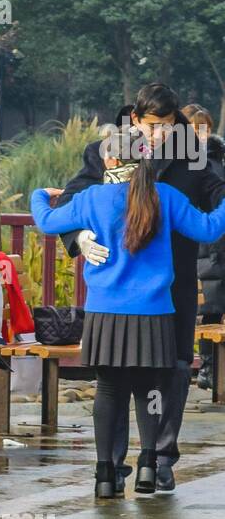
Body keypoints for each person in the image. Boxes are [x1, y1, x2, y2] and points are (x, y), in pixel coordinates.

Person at [33, 126, 225, 498]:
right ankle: (149, 467)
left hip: (106, 313)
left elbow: (46, 221)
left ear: (110, 159)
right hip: (155, 313)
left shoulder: (92, 199)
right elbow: (209, 228)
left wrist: (39, 194)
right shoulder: (165, 196)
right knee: (151, 390)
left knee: (108, 391)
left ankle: (105, 475)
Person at [181, 104, 225, 389]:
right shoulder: (183, 162)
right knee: (208, 308)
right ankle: (206, 366)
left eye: (205, 128)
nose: (201, 134)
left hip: (218, 240)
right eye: (195, 128)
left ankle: (213, 368)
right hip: (202, 243)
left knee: (215, 306)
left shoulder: (218, 158)